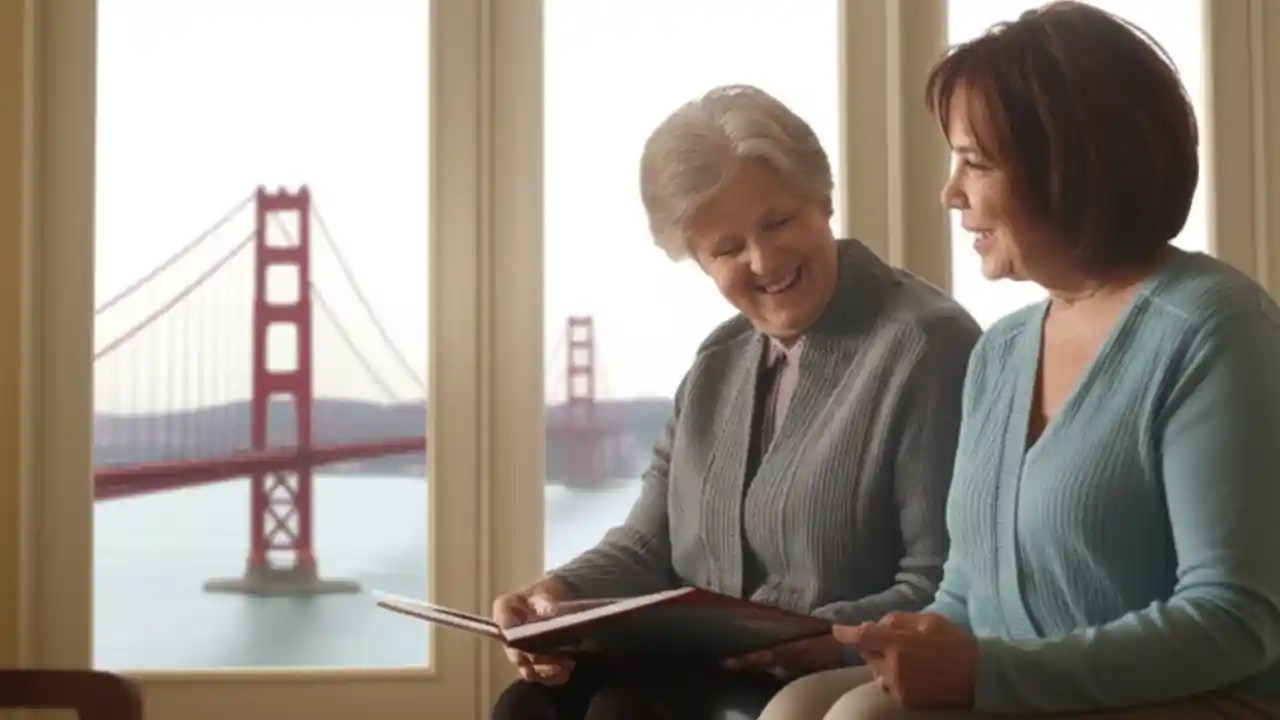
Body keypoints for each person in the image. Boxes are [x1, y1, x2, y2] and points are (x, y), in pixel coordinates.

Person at [758, 3, 1280, 719]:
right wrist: (867, 643)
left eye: (975, 163)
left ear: (1071, 165)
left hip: (1204, 699)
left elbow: (1236, 621)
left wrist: (990, 674)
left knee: (864, 718)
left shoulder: (1216, 330)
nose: (950, 193)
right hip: (1034, 687)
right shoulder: (1001, 351)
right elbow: (968, 598)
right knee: (797, 705)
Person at [489, 85, 981, 720]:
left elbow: (943, 580)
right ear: (698, 260)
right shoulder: (717, 361)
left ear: (823, 201)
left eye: (779, 222)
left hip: (821, 677)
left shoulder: (927, 346)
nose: (764, 260)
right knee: (530, 703)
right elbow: (649, 542)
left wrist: (824, 635)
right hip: (704, 674)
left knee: (621, 710)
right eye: (727, 248)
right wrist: (552, 597)